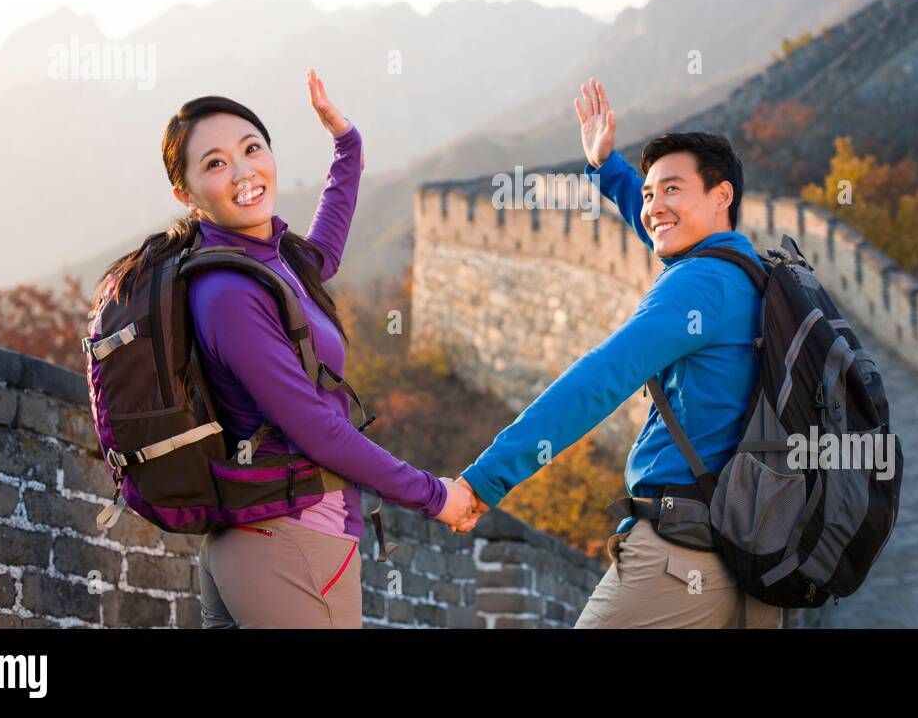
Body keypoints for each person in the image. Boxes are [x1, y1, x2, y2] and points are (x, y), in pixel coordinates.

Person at [99, 70, 473, 628]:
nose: (244, 172)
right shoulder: (227, 293)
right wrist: (433, 496)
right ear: (186, 193)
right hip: (292, 541)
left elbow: (323, 253)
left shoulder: (268, 261)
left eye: (253, 149)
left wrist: (348, 146)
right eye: (216, 163)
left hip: (260, 543)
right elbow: (315, 427)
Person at [449, 77, 783, 628]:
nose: (654, 207)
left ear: (721, 196)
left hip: (677, 558)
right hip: (743, 552)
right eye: (649, 194)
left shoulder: (698, 285)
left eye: (672, 189)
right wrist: (611, 171)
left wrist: (486, 481)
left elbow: (599, 381)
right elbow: (667, 230)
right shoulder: (749, 272)